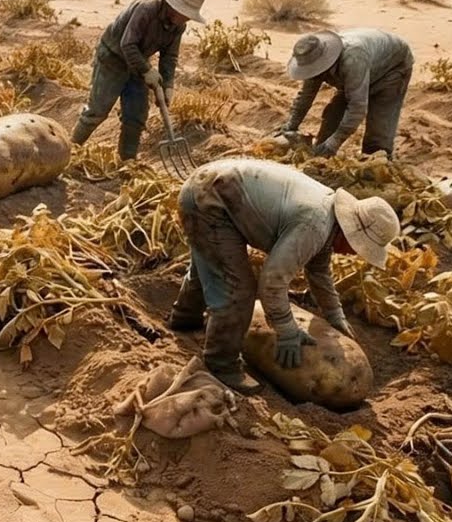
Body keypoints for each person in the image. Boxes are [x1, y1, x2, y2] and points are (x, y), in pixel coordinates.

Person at [165, 158, 399, 395]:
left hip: (209, 188)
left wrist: (335, 315)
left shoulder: (327, 218)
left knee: (210, 265)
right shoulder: (314, 225)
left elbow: (319, 272)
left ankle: (185, 318)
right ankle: (221, 364)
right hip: (210, 203)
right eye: (358, 247)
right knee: (237, 288)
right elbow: (272, 281)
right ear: (350, 232)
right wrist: (286, 329)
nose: (354, 253)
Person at [70, 0, 208, 158]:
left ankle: (127, 162)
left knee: (136, 117)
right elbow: (127, 44)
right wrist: (147, 70)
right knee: (97, 111)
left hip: (138, 64)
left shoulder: (179, 26)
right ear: (175, 7)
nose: (188, 19)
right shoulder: (147, 9)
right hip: (113, 58)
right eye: (186, 14)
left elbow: (169, 57)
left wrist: (168, 85)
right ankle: (70, 151)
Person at [276, 28, 415, 159]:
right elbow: (305, 96)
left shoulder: (352, 59)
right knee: (333, 114)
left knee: (377, 133)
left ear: (326, 61)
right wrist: (291, 125)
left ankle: (378, 161)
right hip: (365, 65)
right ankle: (323, 155)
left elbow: (357, 107)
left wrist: (335, 142)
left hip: (392, 68)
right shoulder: (313, 60)